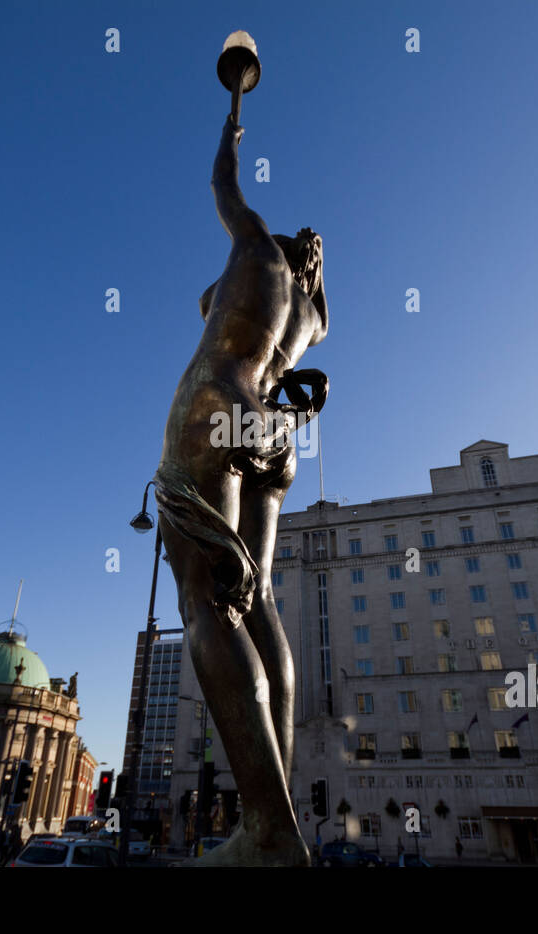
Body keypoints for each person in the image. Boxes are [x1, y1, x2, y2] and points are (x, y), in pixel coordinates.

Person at [154, 115, 327, 868]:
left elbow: (222, 185)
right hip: (274, 439)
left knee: (205, 603)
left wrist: (229, 125)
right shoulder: (311, 317)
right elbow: (323, 310)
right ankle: (277, 819)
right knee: (255, 607)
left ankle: (268, 828)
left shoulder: (252, 246)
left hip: (214, 403)